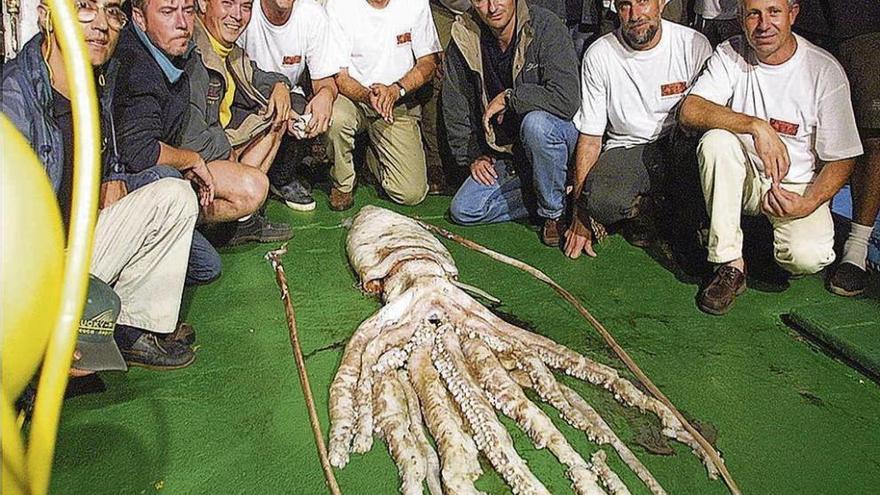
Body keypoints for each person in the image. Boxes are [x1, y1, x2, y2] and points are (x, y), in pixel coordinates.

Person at [1, 0, 199, 369]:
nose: (102, 24)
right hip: (25, 273)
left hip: (74, 246)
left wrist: (114, 175)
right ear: (46, 15)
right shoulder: (14, 98)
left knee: (174, 196)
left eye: (111, 11)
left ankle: (128, 329)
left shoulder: (98, 77)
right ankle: (49, 344)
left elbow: (107, 142)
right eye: (84, 7)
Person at [679, 0, 863, 315]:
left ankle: (763, 242)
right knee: (716, 142)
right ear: (741, 18)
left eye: (774, 12)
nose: (764, 24)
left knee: (807, 257)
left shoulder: (823, 70)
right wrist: (755, 126)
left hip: (797, 186)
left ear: (793, 13)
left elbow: (843, 158)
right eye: (754, 14)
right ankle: (728, 263)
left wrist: (809, 202)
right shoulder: (730, 53)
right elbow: (690, 110)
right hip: (745, 176)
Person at [114, 0, 290, 246]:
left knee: (279, 116)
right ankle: (194, 223)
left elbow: (255, 74)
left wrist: (280, 85)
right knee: (253, 187)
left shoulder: (225, 50)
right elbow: (181, 141)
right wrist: (226, 151)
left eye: (246, 6)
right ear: (205, 5)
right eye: (227, 3)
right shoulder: (186, 54)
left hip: (201, 150)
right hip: (173, 165)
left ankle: (234, 220)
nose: (237, 16)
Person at [564, 0, 712, 258]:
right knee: (600, 201)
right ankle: (648, 211)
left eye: (642, 2)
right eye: (625, 5)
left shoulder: (694, 45)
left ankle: (683, 218)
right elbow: (590, 138)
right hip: (628, 147)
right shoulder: (599, 54)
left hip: (680, 143)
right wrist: (581, 213)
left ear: (662, 3)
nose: (635, 14)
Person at [443, 0, 580, 246]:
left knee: (536, 125)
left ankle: (553, 214)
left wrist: (511, 98)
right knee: (465, 210)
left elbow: (567, 100)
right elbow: (456, 102)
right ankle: (555, 192)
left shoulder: (546, 26)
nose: (492, 7)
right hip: (508, 154)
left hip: (553, 138)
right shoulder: (464, 34)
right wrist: (473, 154)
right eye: (481, 1)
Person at [794, 0, 880, 297]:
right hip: (806, 17)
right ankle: (810, 225)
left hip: (868, 22)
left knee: (873, 134)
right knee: (806, 119)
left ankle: (857, 247)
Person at [324, 0, 442, 211]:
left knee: (411, 193)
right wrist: (368, 96)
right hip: (354, 97)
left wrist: (397, 89)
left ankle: (370, 156)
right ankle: (342, 183)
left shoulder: (415, 3)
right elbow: (340, 76)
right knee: (337, 118)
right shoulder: (338, 5)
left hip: (396, 100)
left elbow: (428, 62)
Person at [237, 0, 341, 211]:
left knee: (307, 115)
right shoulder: (244, 10)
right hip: (243, 92)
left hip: (288, 96)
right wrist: (275, 87)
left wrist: (325, 95)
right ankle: (241, 190)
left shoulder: (312, 15)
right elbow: (234, 71)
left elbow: (324, 79)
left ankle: (282, 177)